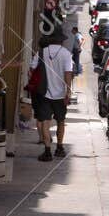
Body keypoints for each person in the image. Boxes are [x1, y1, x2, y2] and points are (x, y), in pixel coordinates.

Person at [27, 31, 74, 161]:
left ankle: (47, 151)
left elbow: (31, 69)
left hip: (44, 93)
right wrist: (68, 92)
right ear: (62, 41)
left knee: (45, 122)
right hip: (60, 95)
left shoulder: (42, 52)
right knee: (60, 121)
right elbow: (68, 73)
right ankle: (59, 148)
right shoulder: (66, 54)